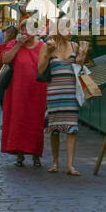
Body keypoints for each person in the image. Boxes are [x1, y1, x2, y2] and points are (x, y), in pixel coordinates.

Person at [37, 22, 84, 175]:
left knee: (72, 129)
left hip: (71, 92)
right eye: (66, 29)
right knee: (54, 129)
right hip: (54, 92)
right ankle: (55, 162)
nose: (70, 32)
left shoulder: (75, 46)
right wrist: (48, 54)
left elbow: (80, 68)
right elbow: (40, 69)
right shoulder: (47, 46)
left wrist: (81, 60)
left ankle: (70, 165)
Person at [0, 18, 46, 166]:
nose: (25, 32)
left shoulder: (42, 46)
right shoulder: (14, 44)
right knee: (18, 121)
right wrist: (18, 45)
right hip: (17, 91)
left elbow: (45, 66)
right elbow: (5, 59)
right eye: (23, 29)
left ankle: (35, 154)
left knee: (35, 122)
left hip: (37, 91)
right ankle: (19, 154)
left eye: (29, 29)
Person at [0, 24, 17, 108]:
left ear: (15, 35)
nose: (9, 34)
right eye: (8, 32)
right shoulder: (1, 46)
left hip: (12, 76)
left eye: (12, 33)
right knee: (2, 98)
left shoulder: (16, 46)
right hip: (2, 74)